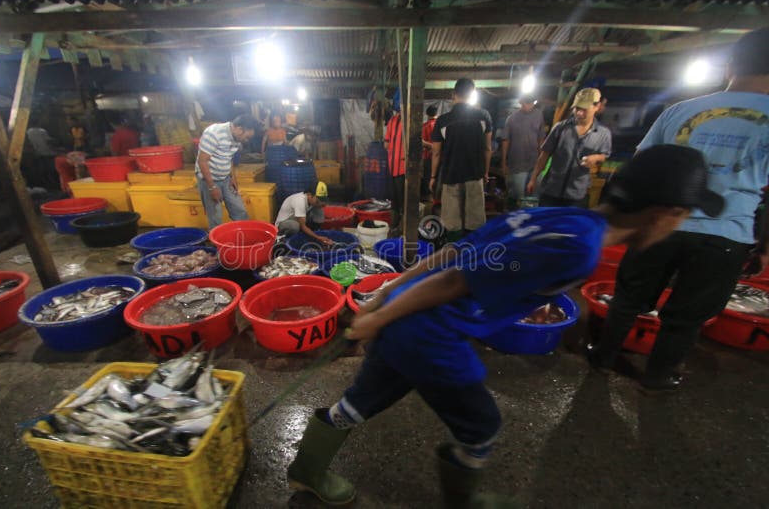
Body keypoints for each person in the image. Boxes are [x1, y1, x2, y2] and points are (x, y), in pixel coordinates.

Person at [286, 144, 723, 506]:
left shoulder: (560, 217)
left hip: (406, 316)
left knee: (363, 401)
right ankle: (464, 501)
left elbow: (458, 252)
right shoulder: (579, 249)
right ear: (664, 212)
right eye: (684, 216)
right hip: (429, 334)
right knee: (482, 426)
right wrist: (379, 314)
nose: (679, 226)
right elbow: (458, 277)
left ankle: (306, 471)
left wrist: (388, 294)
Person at [588, 27, 769, 392]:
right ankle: (658, 375)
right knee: (688, 315)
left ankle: (603, 358)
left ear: (731, 63)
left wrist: (623, 224)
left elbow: (640, 167)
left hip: (660, 224)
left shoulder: (683, 111)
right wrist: (765, 248)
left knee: (628, 299)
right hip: (726, 232)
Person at [430, 78, 494, 242]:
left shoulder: (443, 121)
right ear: (471, 95)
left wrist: (433, 177)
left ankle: (454, 258)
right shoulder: (483, 116)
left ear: (453, 95)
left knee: (452, 224)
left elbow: (436, 153)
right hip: (475, 175)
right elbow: (488, 148)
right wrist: (485, 173)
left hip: (451, 176)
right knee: (475, 223)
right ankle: (473, 258)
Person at [527, 88, 612, 207]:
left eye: (584, 109)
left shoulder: (603, 134)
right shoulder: (560, 128)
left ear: (596, 106)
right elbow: (544, 155)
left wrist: (596, 157)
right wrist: (533, 179)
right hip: (551, 191)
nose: (579, 113)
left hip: (576, 195)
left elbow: (604, 155)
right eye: (577, 108)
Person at [196, 115, 262, 229]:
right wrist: (212, 187)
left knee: (240, 210)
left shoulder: (236, 138)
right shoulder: (213, 134)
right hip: (209, 180)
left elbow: (229, 158)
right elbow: (202, 161)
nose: (246, 141)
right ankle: (218, 245)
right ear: (240, 129)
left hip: (226, 178)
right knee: (215, 217)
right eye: (247, 137)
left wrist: (233, 178)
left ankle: (245, 237)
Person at [500, 95, 545, 206]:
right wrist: (503, 162)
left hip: (534, 164)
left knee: (535, 198)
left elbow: (541, 138)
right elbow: (505, 140)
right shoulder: (512, 118)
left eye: (530, 103)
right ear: (520, 102)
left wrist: (541, 160)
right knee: (518, 198)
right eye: (525, 103)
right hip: (517, 165)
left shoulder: (539, 115)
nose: (528, 106)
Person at [384, 103, 406, 222]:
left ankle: (396, 223)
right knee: (403, 199)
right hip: (403, 168)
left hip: (393, 167)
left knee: (395, 200)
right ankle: (401, 223)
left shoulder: (392, 121)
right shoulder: (409, 121)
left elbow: (386, 144)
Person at [421, 104, 439, 199]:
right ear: (437, 113)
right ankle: (437, 198)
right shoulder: (441, 125)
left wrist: (430, 146)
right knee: (438, 177)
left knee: (428, 177)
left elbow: (422, 142)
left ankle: (429, 198)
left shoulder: (425, 126)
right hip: (440, 157)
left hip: (428, 157)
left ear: (427, 114)